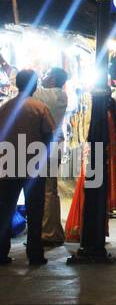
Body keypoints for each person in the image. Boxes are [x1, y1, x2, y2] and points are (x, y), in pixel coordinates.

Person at [0, 70, 53, 266]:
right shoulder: (40, 107)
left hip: (7, 165)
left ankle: (1, 253)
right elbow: (49, 136)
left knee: (5, 211)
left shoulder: (5, 107)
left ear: (17, 84)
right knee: (35, 211)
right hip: (33, 167)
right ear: (35, 85)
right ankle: (35, 255)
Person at [32, 68, 70, 248]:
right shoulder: (60, 95)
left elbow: (27, 85)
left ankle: (48, 233)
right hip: (52, 146)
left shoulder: (52, 95)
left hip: (47, 146)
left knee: (47, 189)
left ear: (53, 79)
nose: (42, 77)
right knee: (50, 188)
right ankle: (52, 230)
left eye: (45, 74)